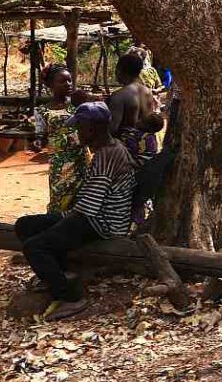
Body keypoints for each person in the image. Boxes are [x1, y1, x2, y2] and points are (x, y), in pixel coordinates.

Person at [13, 102, 136, 319]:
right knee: (25, 225)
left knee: (35, 247)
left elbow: (88, 208)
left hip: (102, 223)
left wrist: (60, 226)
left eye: (79, 127)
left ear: (92, 128)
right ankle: (61, 274)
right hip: (93, 215)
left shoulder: (107, 156)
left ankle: (71, 297)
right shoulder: (108, 149)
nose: (77, 132)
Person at [33, 63, 86, 215]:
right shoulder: (42, 110)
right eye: (62, 81)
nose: (68, 84)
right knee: (60, 195)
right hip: (59, 162)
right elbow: (41, 133)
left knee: (82, 195)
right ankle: (56, 222)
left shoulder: (78, 105)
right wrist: (38, 142)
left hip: (81, 158)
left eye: (70, 80)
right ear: (50, 85)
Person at [108, 50, 162, 159]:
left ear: (120, 70)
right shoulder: (147, 92)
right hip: (148, 147)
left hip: (127, 151)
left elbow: (112, 129)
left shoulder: (119, 96)